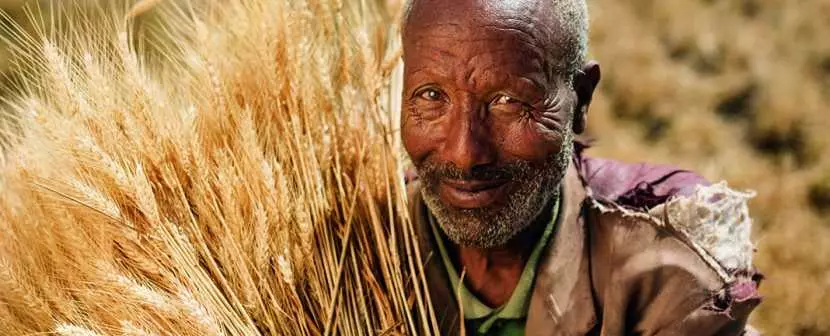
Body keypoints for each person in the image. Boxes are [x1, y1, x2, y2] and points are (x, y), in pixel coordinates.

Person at [399, 0, 762, 335]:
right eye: (431, 95)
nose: (465, 154)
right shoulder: (359, 237)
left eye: (508, 102)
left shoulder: (668, 260)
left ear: (580, 99)